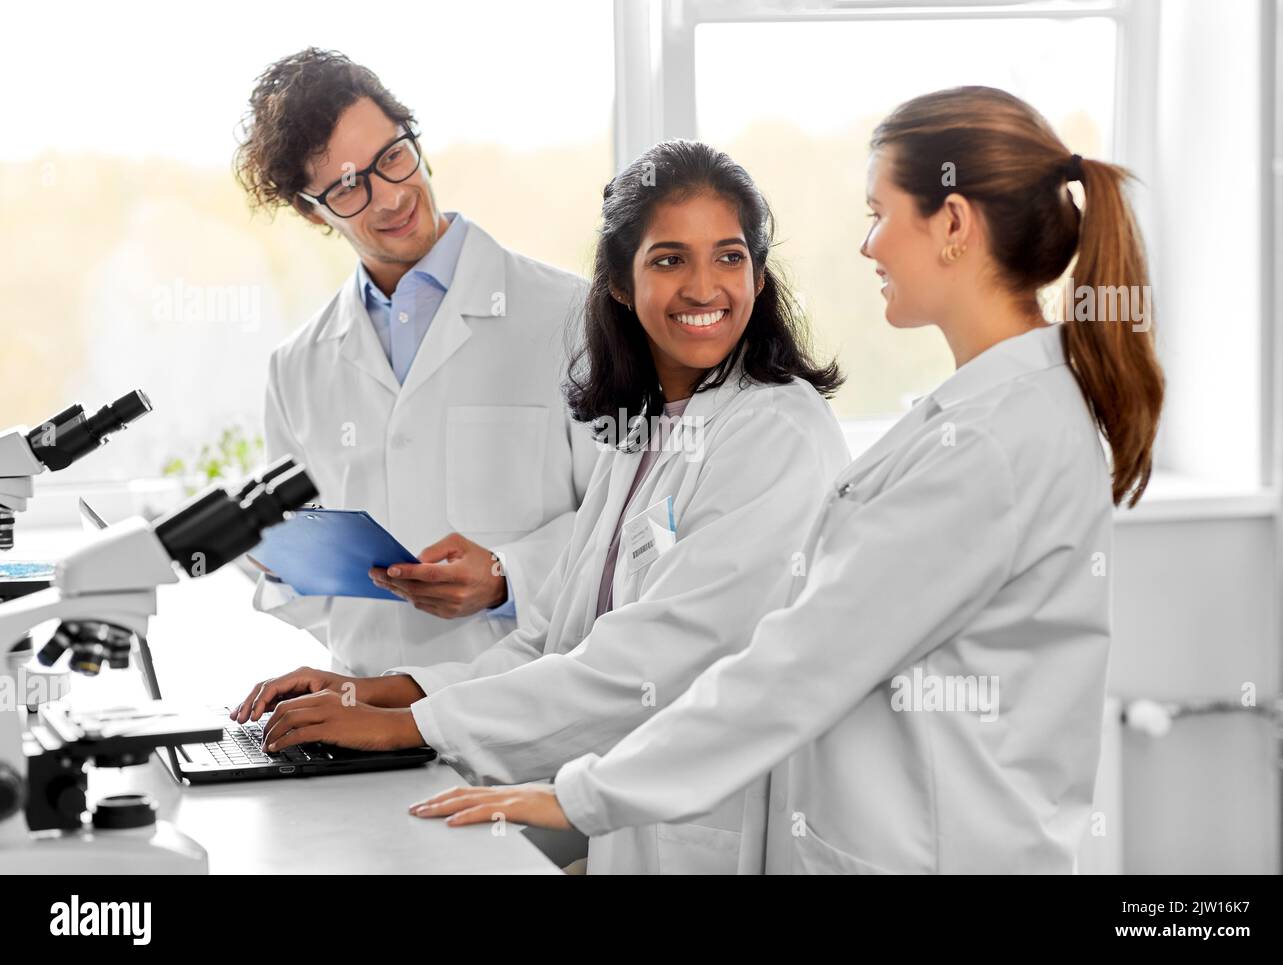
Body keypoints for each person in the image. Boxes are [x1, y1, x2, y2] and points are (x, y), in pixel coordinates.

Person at [413, 86, 1166, 874]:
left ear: (951, 223)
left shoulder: (988, 443)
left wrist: (582, 796)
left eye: (879, 212)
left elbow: (801, 665)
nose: (869, 245)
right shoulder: (988, 415)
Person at [233, 140, 850, 874]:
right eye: (668, 259)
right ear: (621, 283)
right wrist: (375, 692)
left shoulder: (775, 432)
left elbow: (647, 663)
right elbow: (557, 637)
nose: (703, 287)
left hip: (724, 826)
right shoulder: (647, 430)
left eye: (729, 257)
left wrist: (407, 726)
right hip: (633, 820)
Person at [233, 48, 595, 675]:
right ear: (309, 208)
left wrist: (510, 576)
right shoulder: (297, 367)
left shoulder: (571, 315)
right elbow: (315, 589)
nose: (390, 198)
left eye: (393, 158)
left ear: (415, 141)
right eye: (347, 186)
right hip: (363, 721)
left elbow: (626, 524)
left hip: (521, 713)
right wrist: (276, 560)